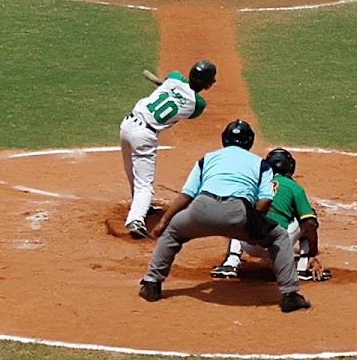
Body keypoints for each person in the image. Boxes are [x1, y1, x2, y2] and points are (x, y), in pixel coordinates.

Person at [137, 120, 311, 313]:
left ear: (225, 139)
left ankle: (152, 284)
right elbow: (265, 202)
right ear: (249, 141)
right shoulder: (261, 164)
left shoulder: (207, 159)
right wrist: (253, 219)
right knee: (278, 237)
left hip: (201, 209)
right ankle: (290, 295)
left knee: (173, 232)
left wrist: (163, 221)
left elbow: (186, 196)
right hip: (237, 213)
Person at [121, 60, 217, 239]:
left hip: (127, 125)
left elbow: (171, 82)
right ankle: (136, 220)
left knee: (132, 172)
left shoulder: (174, 77)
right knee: (144, 185)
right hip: (144, 135)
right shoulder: (197, 104)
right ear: (207, 83)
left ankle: (141, 205)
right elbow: (185, 102)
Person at [209, 148, 329, 282]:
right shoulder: (294, 186)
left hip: (249, 244)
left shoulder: (254, 182)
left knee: (243, 212)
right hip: (278, 244)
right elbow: (310, 224)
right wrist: (314, 253)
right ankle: (302, 267)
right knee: (307, 217)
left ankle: (231, 262)